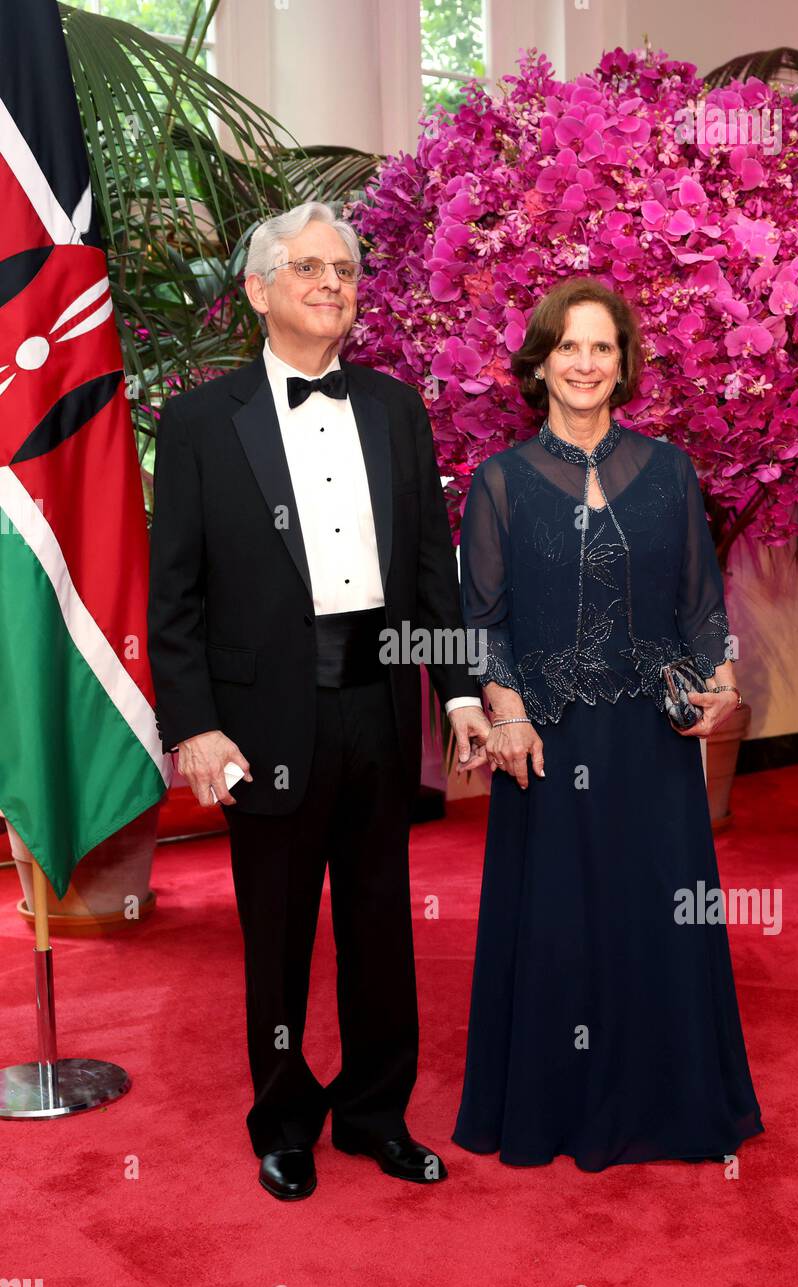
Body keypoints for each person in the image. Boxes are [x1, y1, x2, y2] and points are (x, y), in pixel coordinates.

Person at [147, 202, 489, 1200]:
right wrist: (197, 725)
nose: (332, 284)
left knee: (383, 925)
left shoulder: (394, 408)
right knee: (280, 932)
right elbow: (176, 598)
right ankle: (285, 1117)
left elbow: (433, 573)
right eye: (308, 268)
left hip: (378, 707)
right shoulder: (203, 420)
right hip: (261, 724)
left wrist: (460, 692)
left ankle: (376, 1112)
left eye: (344, 267)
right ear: (258, 288)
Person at [452, 277, 764, 1170]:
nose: (585, 363)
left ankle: (667, 1103)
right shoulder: (501, 481)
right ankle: (556, 1109)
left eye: (602, 347)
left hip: (649, 743)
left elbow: (702, 605)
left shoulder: (669, 470)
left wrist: (724, 675)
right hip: (545, 743)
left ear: (623, 364)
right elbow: (484, 619)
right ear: (540, 363)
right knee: (558, 925)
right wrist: (506, 715)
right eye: (569, 347)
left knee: (657, 918)